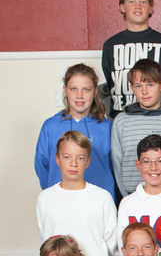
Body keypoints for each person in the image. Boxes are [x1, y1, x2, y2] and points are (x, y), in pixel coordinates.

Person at [36, 131, 119, 256]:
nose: (73, 163)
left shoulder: (102, 197)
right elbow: (46, 240)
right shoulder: (45, 199)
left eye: (80, 158)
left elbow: (112, 246)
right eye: (67, 157)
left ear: (87, 162)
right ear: (57, 159)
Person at [110, 59, 161, 196]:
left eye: (150, 84)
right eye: (138, 86)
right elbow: (117, 164)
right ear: (132, 88)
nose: (144, 91)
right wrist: (127, 196)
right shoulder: (121, 121)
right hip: (134, 195)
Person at [35, 63, 117, 201]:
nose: (79, 95)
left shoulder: (107, 127)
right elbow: (42, 167)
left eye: (86, 89)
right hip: (61, 201)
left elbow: (115, 168)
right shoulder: (50, 126)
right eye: (73, 89)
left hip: (99, 203)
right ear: (65, 90)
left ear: (95, 91)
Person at [102, 0, 161, 117]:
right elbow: (110, 83)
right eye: (131, 1)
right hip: (122, 119)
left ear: (151, 8)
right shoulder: (111, 45)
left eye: (143, 2)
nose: (137, 6)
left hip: (160, 118)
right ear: (122, 7)